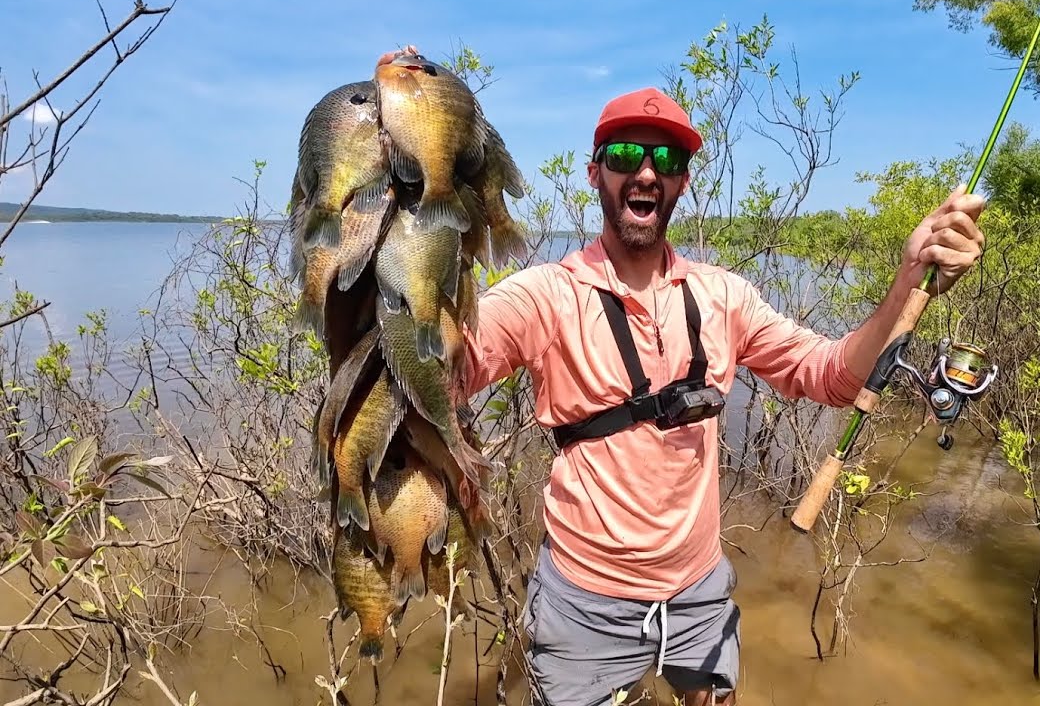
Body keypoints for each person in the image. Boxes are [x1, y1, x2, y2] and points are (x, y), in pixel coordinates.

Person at [380, 49, 986, 705]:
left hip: (698, 589)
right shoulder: (543, 296)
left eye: (666, 161)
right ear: (594, 174)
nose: (646, 171)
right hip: (585, 601)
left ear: (683, 183)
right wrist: (402, 209)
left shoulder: (725, 297)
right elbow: (437, 376)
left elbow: (833, 375)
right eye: (625, 157)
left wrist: (907, 279)